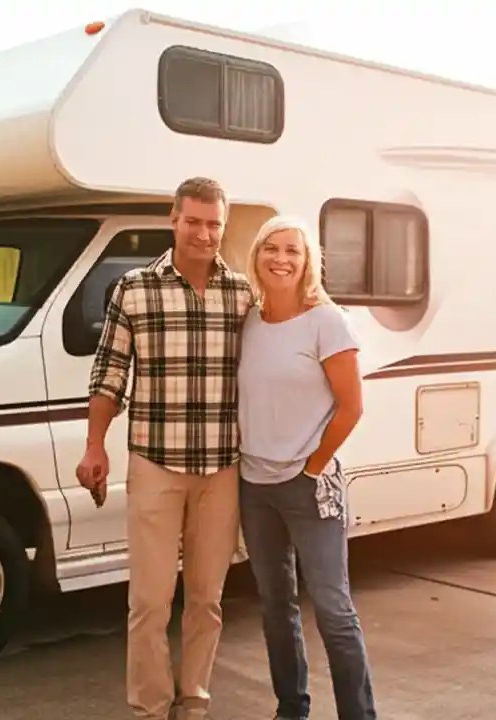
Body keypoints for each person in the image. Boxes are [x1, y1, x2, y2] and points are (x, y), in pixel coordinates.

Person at [77, 176, 255, 720]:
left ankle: (194, 701)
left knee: (206, 600)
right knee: (150, 602)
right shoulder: (134, 289)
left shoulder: (243, 294)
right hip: (155, 463)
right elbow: (109, 375)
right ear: (172, 220)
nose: (204, 233)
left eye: (214, 224)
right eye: (194, 221)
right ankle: (151, 708)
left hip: (221, 468)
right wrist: (95, 447)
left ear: (223, 227)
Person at [236, 215, 378, 720]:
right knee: (276, 607)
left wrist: (312, 467)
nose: (281, 259)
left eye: (293, 250)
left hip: (308, 486)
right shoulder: (250, 320)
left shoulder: (327, 321)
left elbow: (351, 405)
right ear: (256, 256)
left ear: (309, 261)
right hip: (254, 487)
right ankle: (291, 709)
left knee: (335, 612)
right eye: (271, 248)